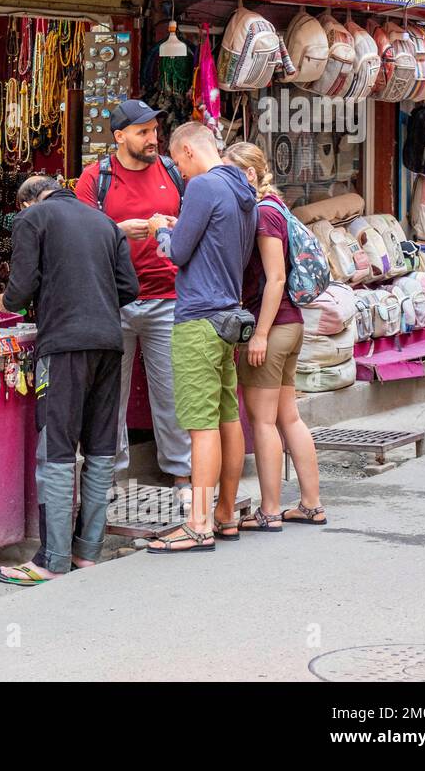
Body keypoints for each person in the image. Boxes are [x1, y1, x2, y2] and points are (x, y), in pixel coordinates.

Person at [0, 175, 140, 584]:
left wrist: (5, 301)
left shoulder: (33, 219)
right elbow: (129, 287)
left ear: (27, 202)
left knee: (56, 447)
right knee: (99, 446)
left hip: (64, 345)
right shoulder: (105, 223)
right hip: (109, 343)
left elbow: (20, 291)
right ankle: (86, 552)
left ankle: (51, 560)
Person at [145, 123, 257, 554]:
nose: (182, 173)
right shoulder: (240, 187)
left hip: (198, 318)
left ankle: (197, 524)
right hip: (228, 315)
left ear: (188, 150)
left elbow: (177, 253)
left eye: (180, 164)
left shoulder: (204, 187)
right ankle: (225, 514)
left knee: (200, 425)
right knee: (228, 416)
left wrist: (161, 229)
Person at [76, 99, 191, 504]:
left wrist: (177, 228)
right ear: (120, 136)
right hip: (114, 299)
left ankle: (181, 472)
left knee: (171, 390)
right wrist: (117, 231)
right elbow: (80, 238)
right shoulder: (95, 179)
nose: (152, 138)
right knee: (110, 393)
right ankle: (110, 474)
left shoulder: (174, 173)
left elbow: (195, 227)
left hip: (168, 296)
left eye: (155, 130)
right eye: (142, 131)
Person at [223, 142, 327, 531]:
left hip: (275, 324)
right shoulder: (275, 207)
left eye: (229, 172)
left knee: (263, 422)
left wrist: (260, 334)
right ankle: (311, 505)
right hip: (290, 323)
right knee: (288, 417)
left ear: (248, 175)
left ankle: (269, 511)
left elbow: (276, 278)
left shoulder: (264, 213)